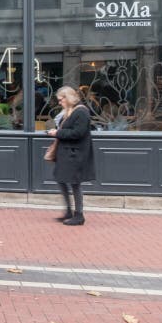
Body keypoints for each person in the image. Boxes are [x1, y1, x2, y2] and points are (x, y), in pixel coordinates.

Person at [47, 85, 96, 226]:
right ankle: (69, 211)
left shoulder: (81, 112)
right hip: (67, 152)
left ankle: (79, 215)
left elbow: (78, 133)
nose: (59, 102)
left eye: (61, 99)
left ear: (68, 98)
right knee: (60, 178)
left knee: (75, 183)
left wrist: (57, 133)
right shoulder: (69, 111)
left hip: (75, 153)